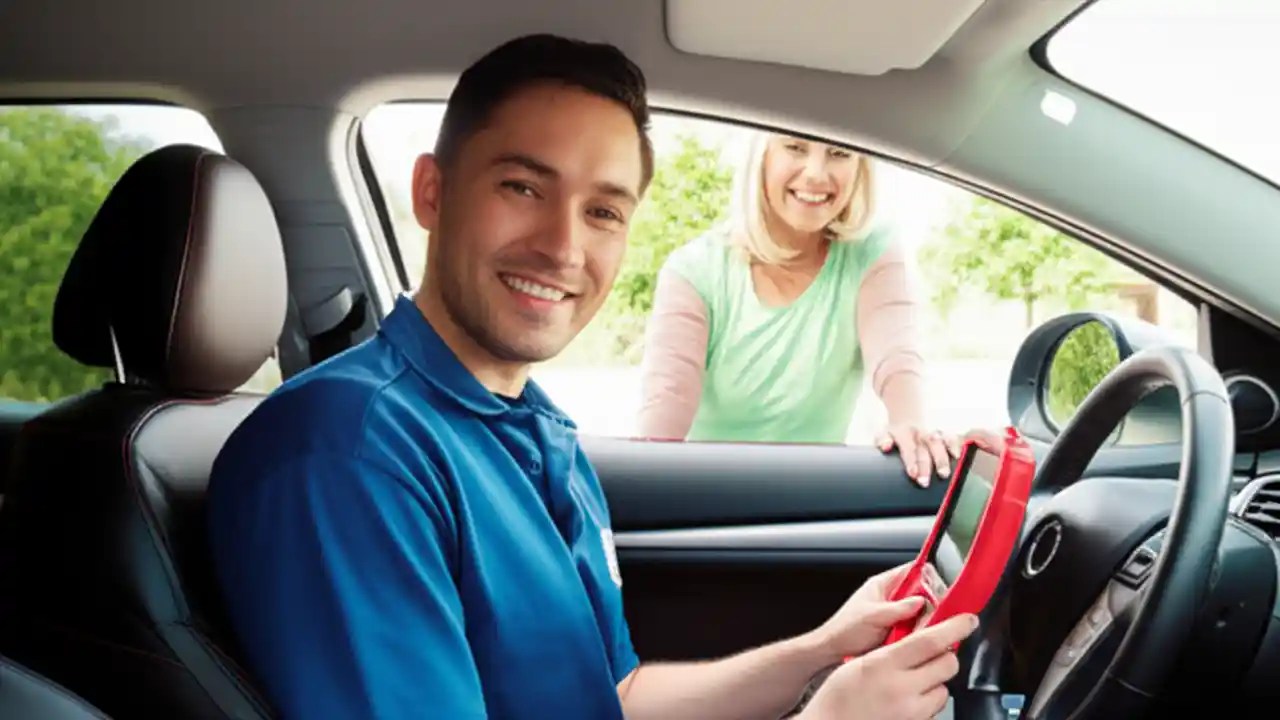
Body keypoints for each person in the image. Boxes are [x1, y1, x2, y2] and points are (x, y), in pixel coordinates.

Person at [207, 33, 979, 720]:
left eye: (603, 212)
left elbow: (617, 697)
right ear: (431, 192)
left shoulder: (539, 432)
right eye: (523, 188)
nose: (562, 247)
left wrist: (819, 651)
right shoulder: (348, 450)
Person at [637, 131, 959, 486]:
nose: (816, 175)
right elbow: (666, 405)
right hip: (710, 503)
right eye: (795, 147)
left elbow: (895, 358)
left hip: (814, 501)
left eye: (840, 153)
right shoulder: (694, 270)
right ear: (762, 157)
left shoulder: (871, 251)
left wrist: (908, 421)